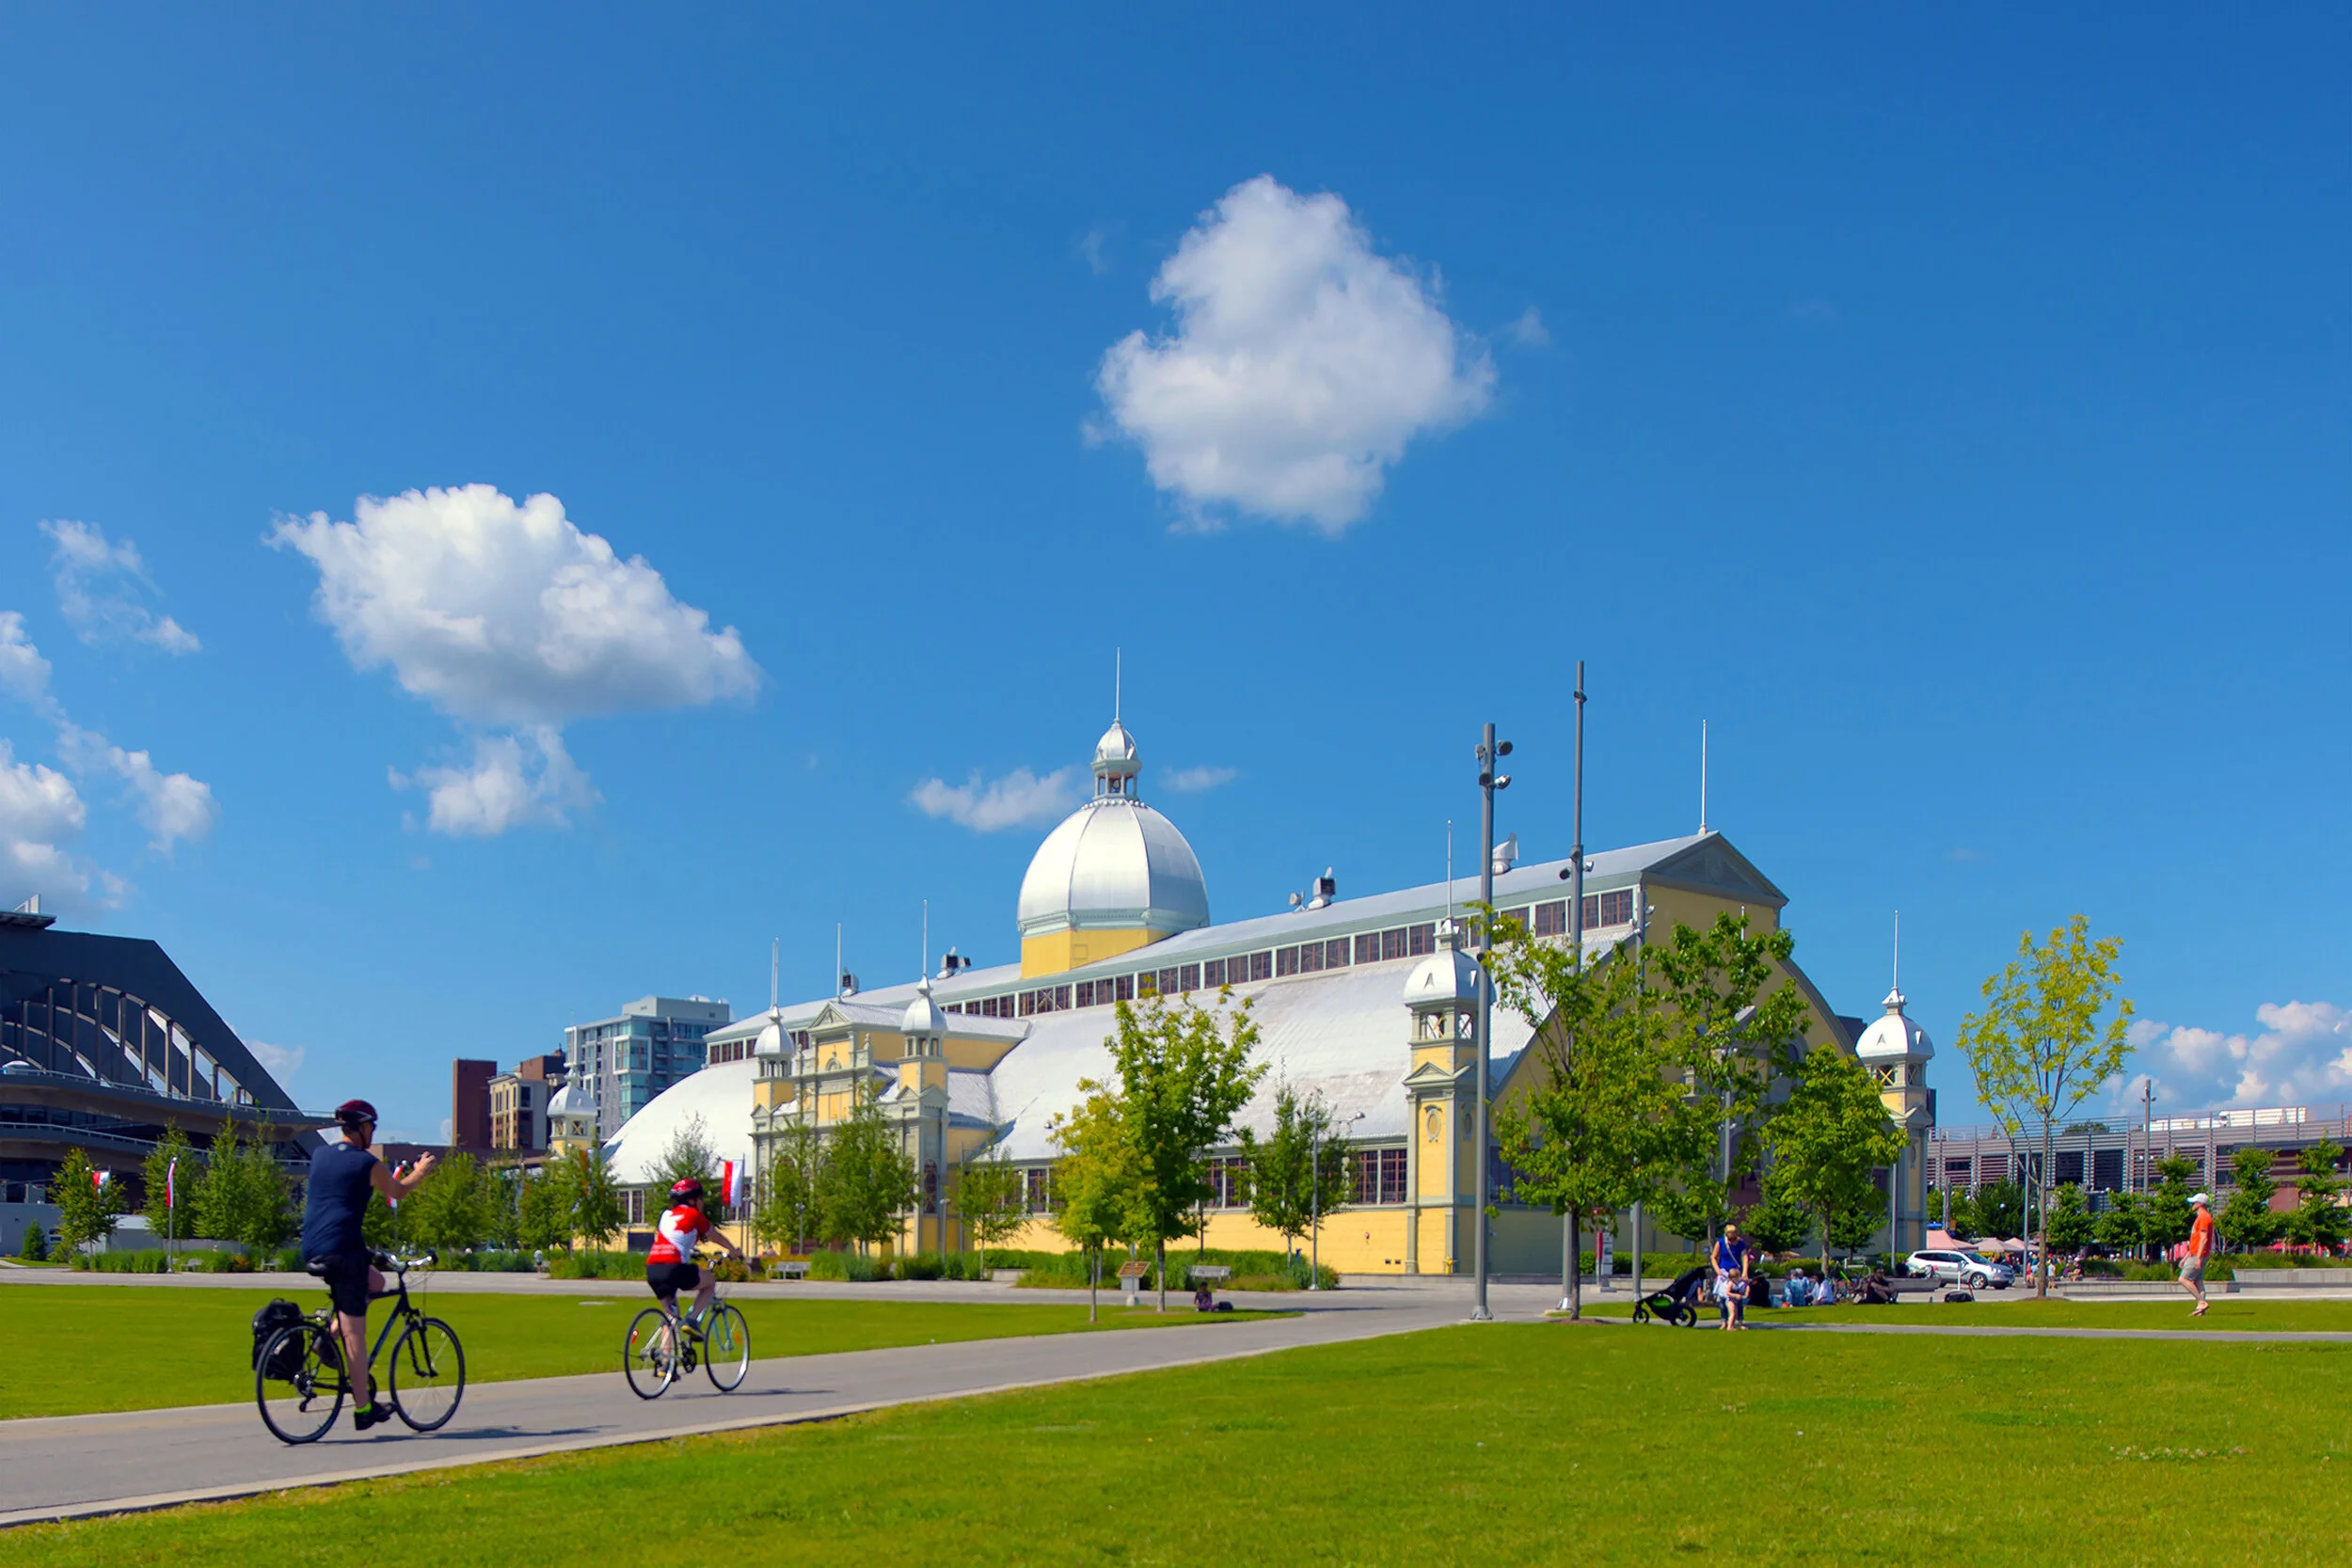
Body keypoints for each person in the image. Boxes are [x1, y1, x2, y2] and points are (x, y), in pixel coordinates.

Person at [299, 1099, 437, 1432]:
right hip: (343, 1252)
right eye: (371, 1128)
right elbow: (399, 1191)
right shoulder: (367, 1163)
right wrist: (420, 1171)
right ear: (361, 1128)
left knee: (374, 1284)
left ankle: (325, 1340)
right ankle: (363, 1409)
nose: (373, 1134)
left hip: (314, 1247)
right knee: (356, 1335)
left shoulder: (320, 1155)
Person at [645, 1177, 747, 1344]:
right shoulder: (694, 1214)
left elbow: (674, 1238)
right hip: (673, 1267)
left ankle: (665, 1366)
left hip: (653, 1269)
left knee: (671, 1317)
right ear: (692, 1200)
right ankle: (692, 1321)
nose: (703, 1202)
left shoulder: (666, 1214)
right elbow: (715, 1236)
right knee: (710, 1282)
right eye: (701, 1198)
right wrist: (734, 1252)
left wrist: (690, 1251)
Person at [1711, 1223, 1754, 1331]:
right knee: (1723, 1299)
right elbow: (1713, 1257)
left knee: (1738, 1298)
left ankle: (1740, 1321)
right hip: (1724, 1272)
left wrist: (1744, 1272)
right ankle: (1724, 1321)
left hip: (1736, 1273)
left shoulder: (1740, 1243)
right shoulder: (1721, 1242)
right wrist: (1718, 1271)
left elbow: (1744, 1257)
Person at [2181, 1192, 2217, 1316]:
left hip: (2198, 1254)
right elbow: (2196, 1240)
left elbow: (2204, 1238)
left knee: (2184, 1279)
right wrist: (2186, 1257)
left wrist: (2198, 1258)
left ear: (2200, 1204)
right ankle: (2201, 1309)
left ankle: (2201, 1302)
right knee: (2198, 1281)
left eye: (2194, 1202)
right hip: (2196, 1253)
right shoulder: (2201, 1217)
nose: (2192, 1204)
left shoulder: (2204, 1217)